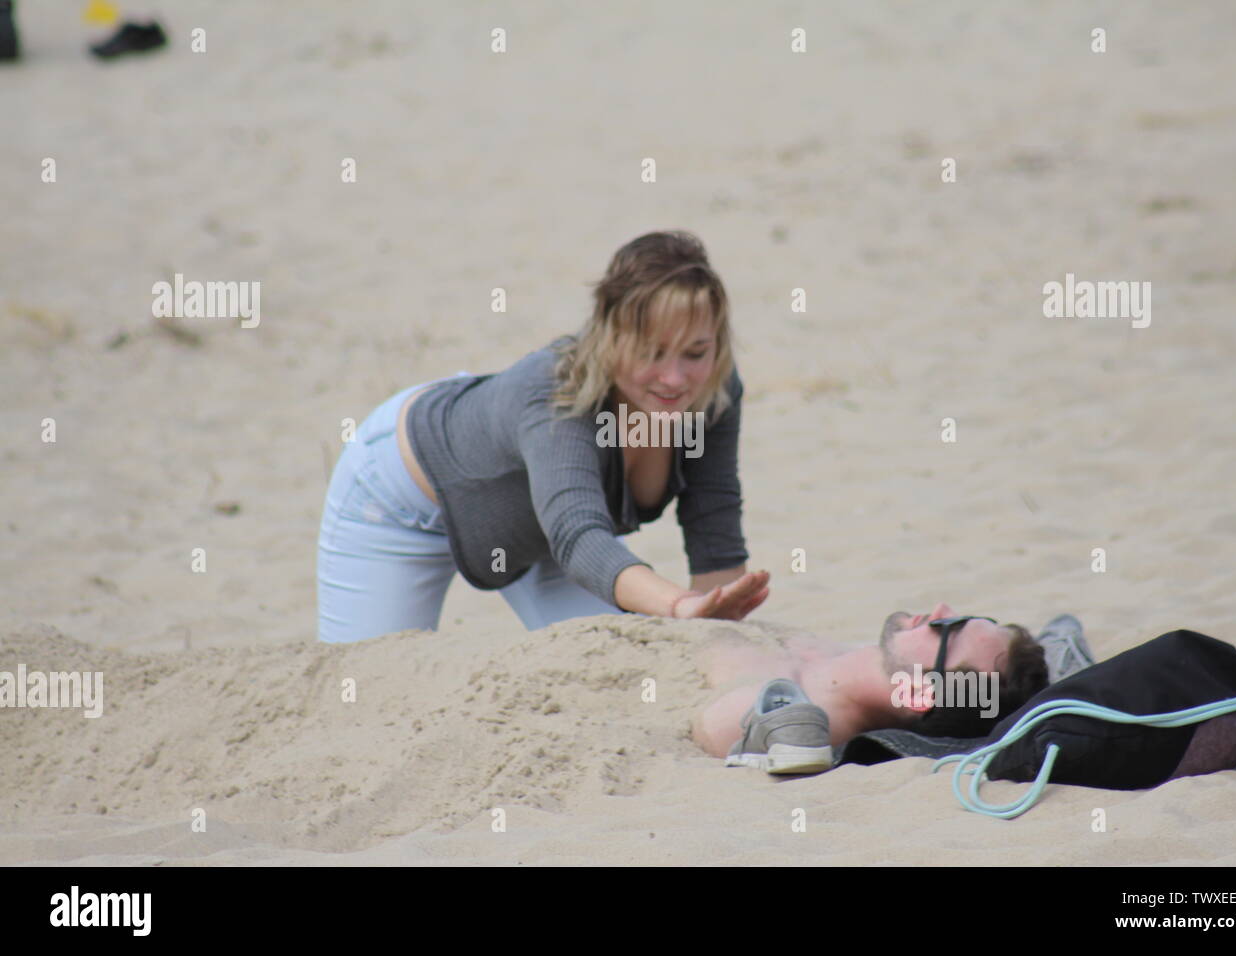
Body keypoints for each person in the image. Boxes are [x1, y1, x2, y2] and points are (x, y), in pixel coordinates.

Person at [317, 230, 771, 643]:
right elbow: (581, 538)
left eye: (695, 352)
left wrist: (718, 629)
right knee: (371, 688)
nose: (674, 378)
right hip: (400, 497)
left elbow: (714, 523)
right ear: (608, 338)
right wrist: (679, 608)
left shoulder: (713, 391)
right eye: (651, 352)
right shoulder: (556, 395)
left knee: (619, 665)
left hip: (542, 524)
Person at [691, 602, 1049, 772]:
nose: (940, 610)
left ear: (919, 694)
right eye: (963, 618)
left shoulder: (777, 710)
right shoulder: (835, 656)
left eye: (948, 631)